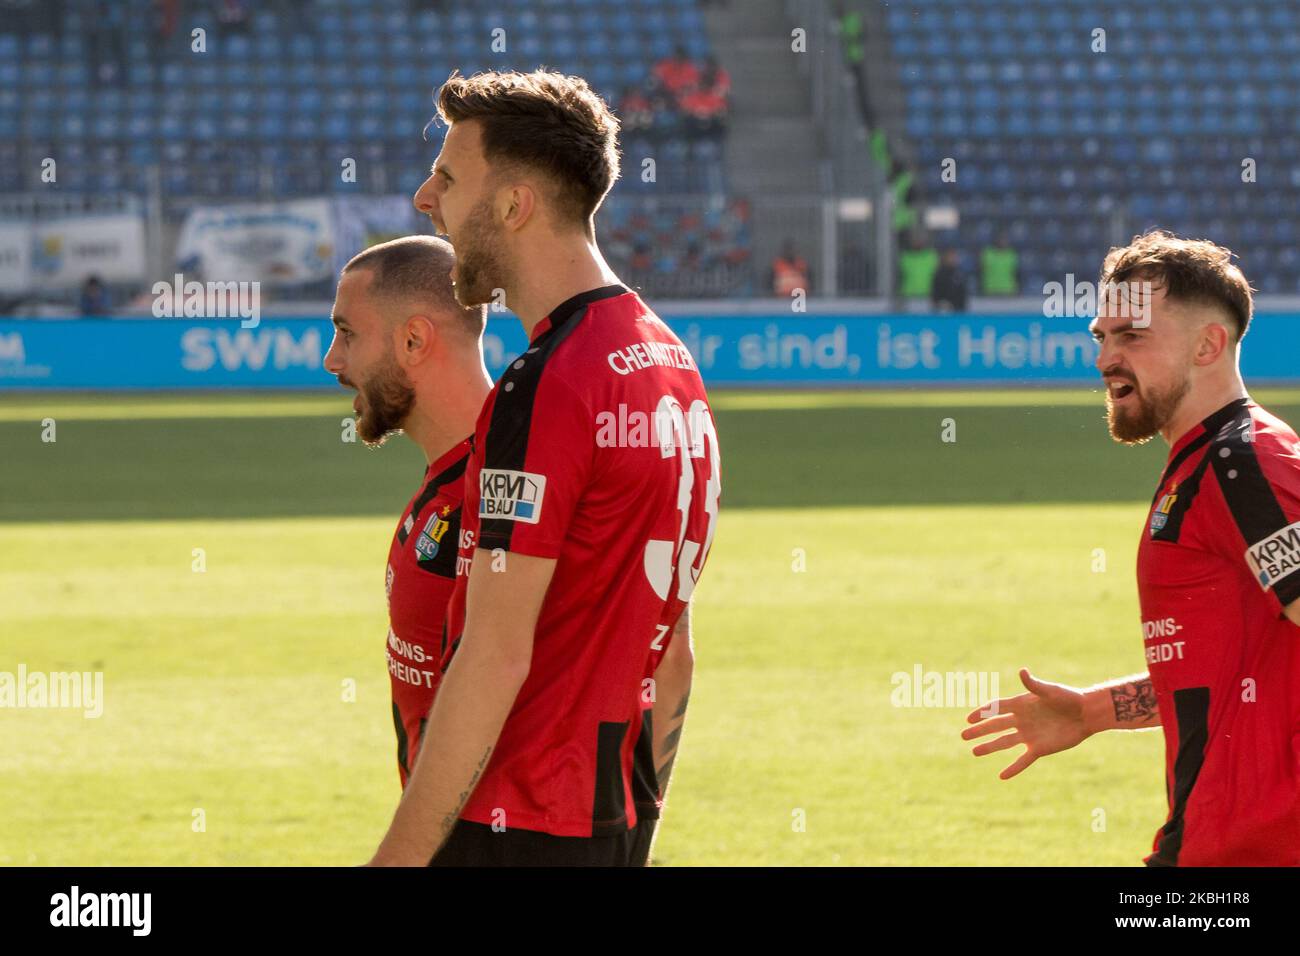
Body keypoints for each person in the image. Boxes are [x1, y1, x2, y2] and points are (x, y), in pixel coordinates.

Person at [370, 69, 721, 867]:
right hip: (613, 816)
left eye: (450, 178)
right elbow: (673, 652)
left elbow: (492, 653)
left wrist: (396, 860)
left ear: (514, 205)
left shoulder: (548, 382)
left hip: (515, 823)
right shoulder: (670, 362)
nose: (427, 199)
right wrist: (635, 830)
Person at [963, 231, 1300, 866]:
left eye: (1133, 336)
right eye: (1103, 336)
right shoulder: (1204, 465)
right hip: (1213, 843)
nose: (1106, 359)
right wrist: (1093, 711)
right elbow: (1226, 668)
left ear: (1208, 345)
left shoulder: (1242, 463)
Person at [322, 235, 491, 791]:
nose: (332, 361)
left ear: (415, 339)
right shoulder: (453, 476)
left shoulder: (501, 495)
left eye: (347, 334)